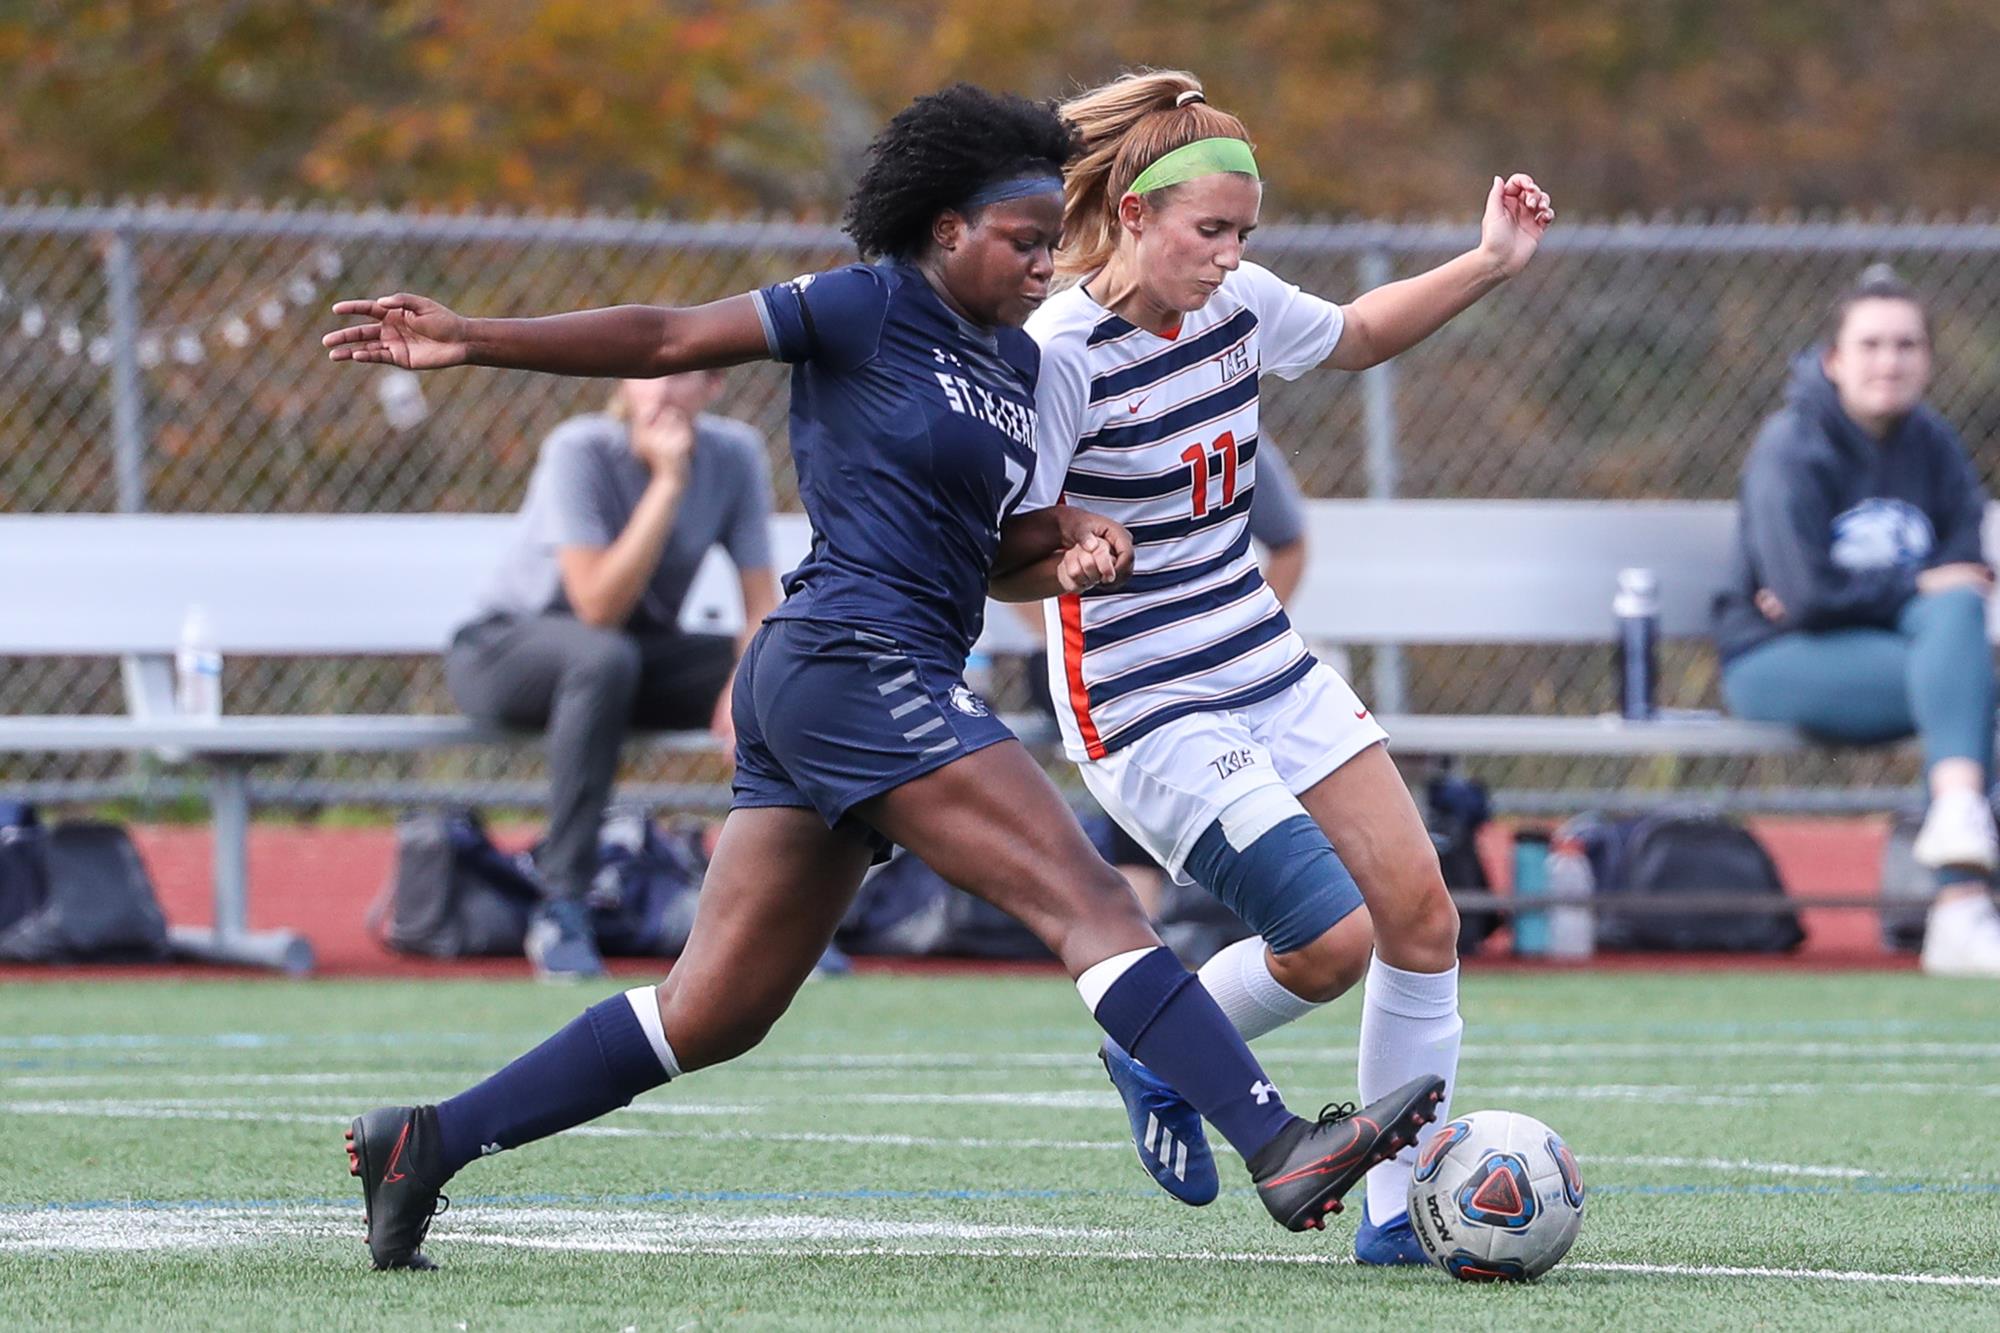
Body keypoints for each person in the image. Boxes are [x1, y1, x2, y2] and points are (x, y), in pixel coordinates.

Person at [321, 84, 1442, 1272]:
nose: (1039, 266)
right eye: (1020, 243)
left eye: (1049, 246)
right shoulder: (863, 306)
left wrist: (1075, 546)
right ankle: (1277, 1146)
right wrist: (473, 337)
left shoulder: (1017, 359)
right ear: (944, 227)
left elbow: (1004, 541)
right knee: (1091, 905)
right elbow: (662, 337)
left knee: (713, 1011)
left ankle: (424, 1143)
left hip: (854, 681)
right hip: (851, 659)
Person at [996, 70, 1552, 1264]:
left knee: (1420, 916)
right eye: (1211, 231)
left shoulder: (1235, 302)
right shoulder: (1057, 355)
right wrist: (1068, 559)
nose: (1230, 256)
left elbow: (1351, 337)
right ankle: (1158, 1044)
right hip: (1143, 702)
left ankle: (1401, 1218)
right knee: (1330, 936)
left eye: (1243, 234)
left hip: (1263, 657)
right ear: (1135, 216)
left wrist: (1487, 263)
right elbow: (997, 550)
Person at [1714, 265, 2000, 978]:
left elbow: (1967, 567)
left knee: (1958, 624)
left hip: (1887, 654)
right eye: (1871, 344)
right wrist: (1914, 592)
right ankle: (1961, 905)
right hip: (1777, 659)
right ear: (1835, 358)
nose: (1890, 360)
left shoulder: (1933, 445)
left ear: (1927, 360)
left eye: (1906, 345)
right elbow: (1803, 597)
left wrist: (1878, 593)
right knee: (1965, 674)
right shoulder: (1790, 445)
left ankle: (1961, 887)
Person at [446, 370, 780, 979]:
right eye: (646, 374)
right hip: (503, 652)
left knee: (791, 671)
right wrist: (669, 483)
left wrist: (749, 676)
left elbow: (763, 602)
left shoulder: (735, 454)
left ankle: (778, 912)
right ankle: (562, 907)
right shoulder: (578, 449)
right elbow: (598, 606)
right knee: (601, 658)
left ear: (714, 385)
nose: (662, 391)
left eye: (681, 375)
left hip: (625, 660)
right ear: (624, 387)